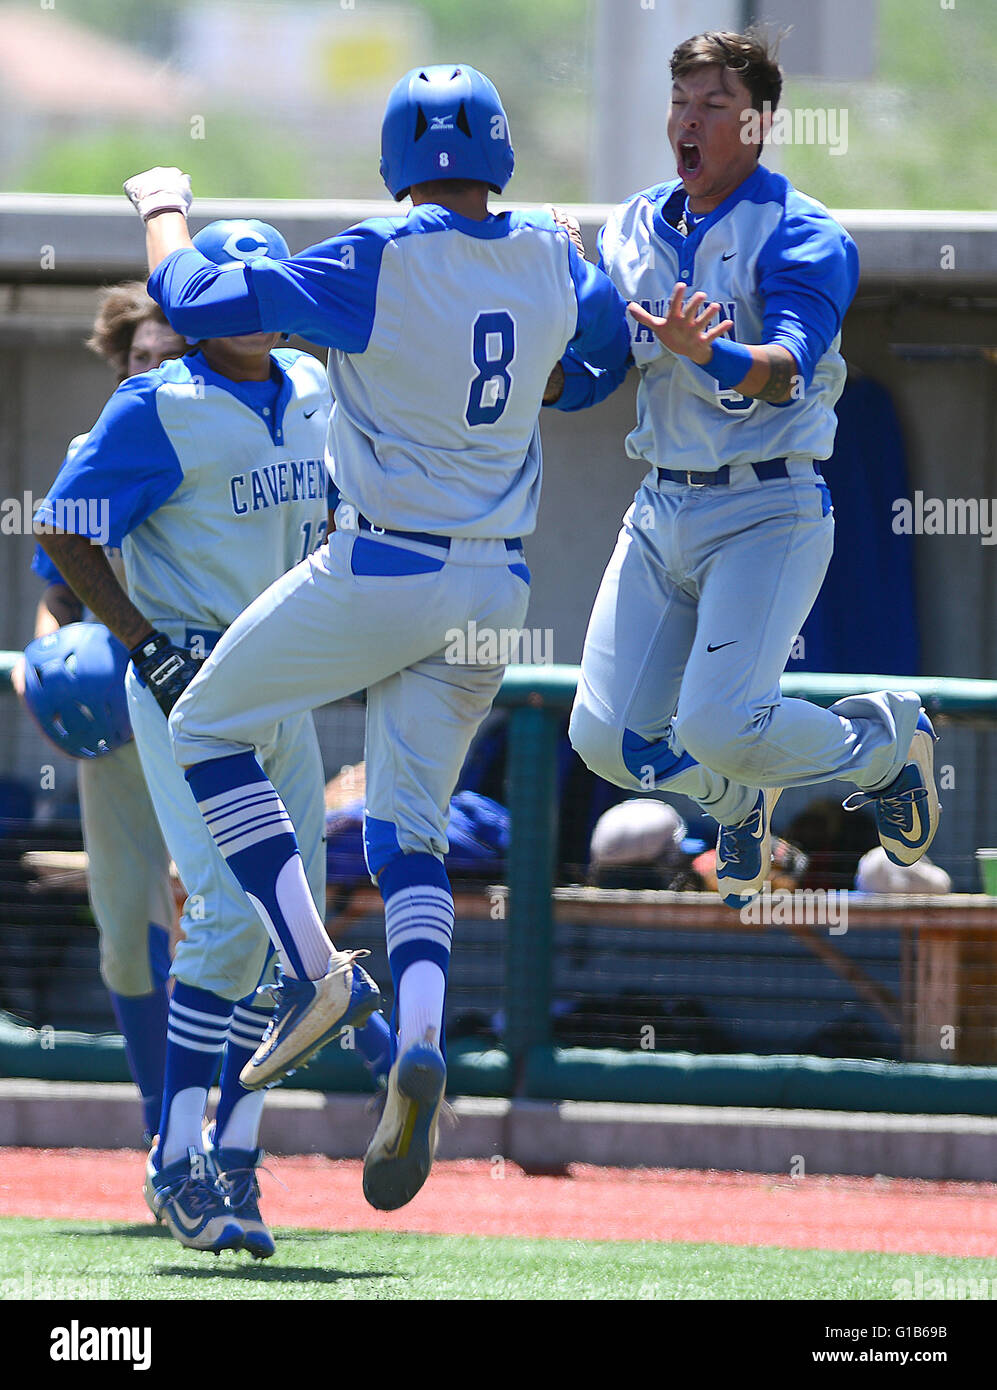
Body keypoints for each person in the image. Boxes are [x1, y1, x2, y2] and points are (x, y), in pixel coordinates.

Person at [122, 61, 630, 1211]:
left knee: (205, 724)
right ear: (497, 150)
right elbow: (599, 365)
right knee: (410, 834)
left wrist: (164, 210)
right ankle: (417, 1027)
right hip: (497, 584)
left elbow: (198, 306)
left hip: (384, 562)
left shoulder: (378, 252)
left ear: (401, 159)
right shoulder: (557, 253)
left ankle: (313, 973)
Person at [34, 219, 390, 1256]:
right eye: (229, 288)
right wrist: (143, 645)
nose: (249, 305)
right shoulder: (158, 401)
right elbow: (61, 525)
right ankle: (176, 1159)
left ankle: (234, 1156)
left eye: (261, 287)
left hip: (281, 671)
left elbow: (339, 503)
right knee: (233, 922)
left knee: (293, 927)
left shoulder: (313, 384)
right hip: (190, 680)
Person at [557, 28, 940, 908]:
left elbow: (785, 372)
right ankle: (734, 803)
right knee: (604, 739)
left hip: (768, 508)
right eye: (680, 102)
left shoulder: (802, 231)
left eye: (714, 105)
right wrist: (553, 313)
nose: (688, 122)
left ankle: (882, 744)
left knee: (718, 721)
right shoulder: (630, 226)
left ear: (760, 123)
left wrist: (712, 355)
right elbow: (600, 368)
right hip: (660, 507)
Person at [16, 285, 184, 1147]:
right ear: (121, 364)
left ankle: (389, 1066)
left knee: (258, 927)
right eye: (139, 357)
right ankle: (166, 1134)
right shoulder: (93, 455)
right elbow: (57, 591)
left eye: (169, 355)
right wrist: (44, 664)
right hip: (116, 730)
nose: (151, 368)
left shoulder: (228, 443)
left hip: (213, 720)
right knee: (126, 940)